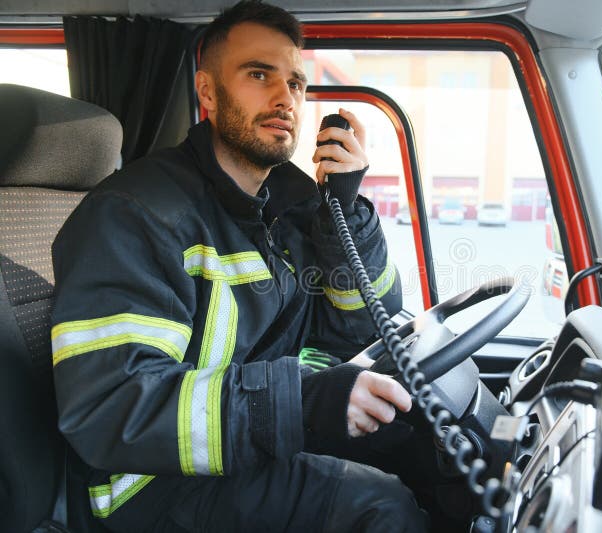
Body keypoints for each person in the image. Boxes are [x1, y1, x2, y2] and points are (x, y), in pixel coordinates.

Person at [50, 1, 428, 531]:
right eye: (259, 75)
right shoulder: (136, 215)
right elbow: (114, 405)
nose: (285, 98)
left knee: (417, 441)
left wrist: (344, 212)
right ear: (207, 92)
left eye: (295, 83)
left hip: (239, 442)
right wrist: (299, 403)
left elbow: (363, 329)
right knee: (379, 506)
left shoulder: (286, 210)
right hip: (148, 482)